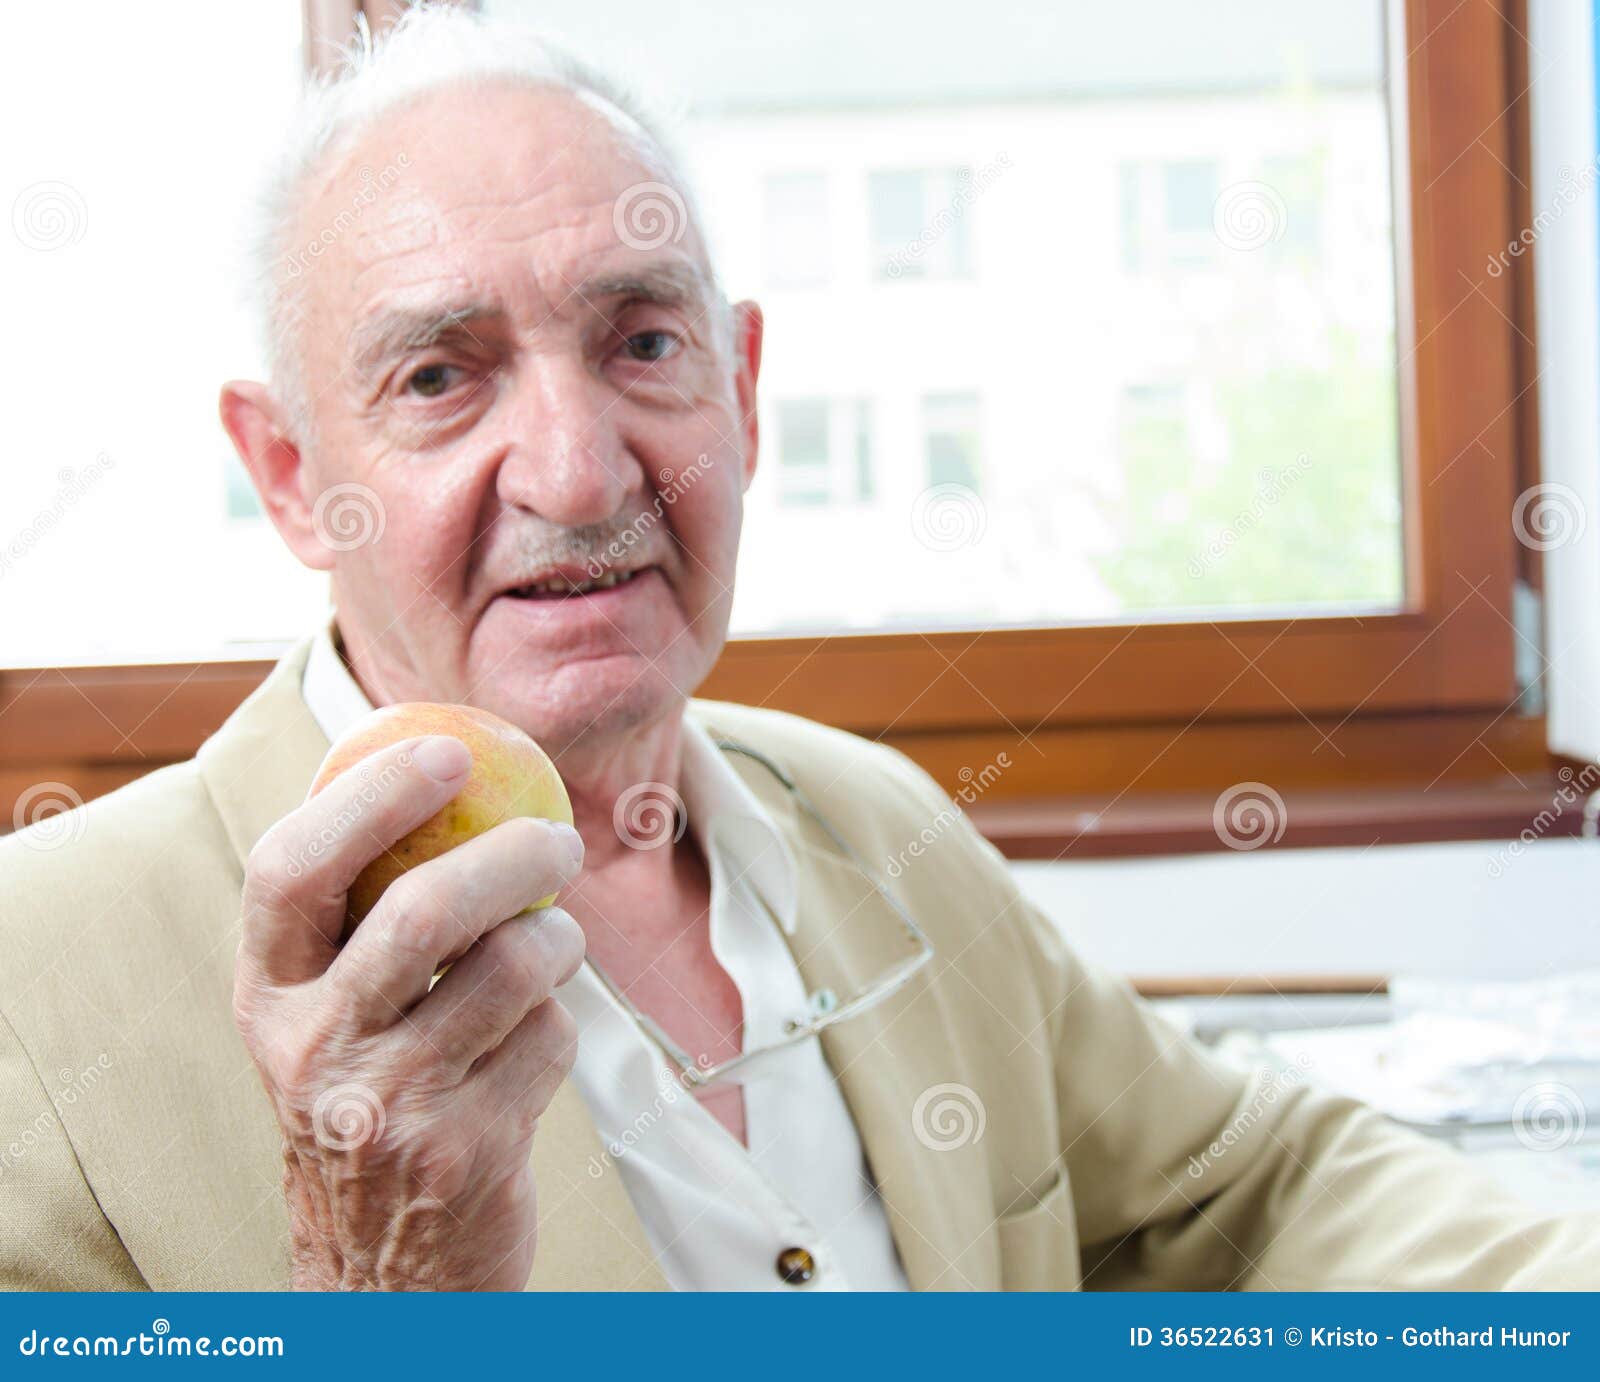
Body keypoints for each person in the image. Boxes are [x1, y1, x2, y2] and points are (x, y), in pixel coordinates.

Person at [1, 4, 1594, 1292]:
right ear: (290, 474)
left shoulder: (876, 822)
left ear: (745, 393)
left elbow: (1245, 1186)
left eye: (644, 342)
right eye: (439, 376)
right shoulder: (36, 983)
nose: (580, 473)